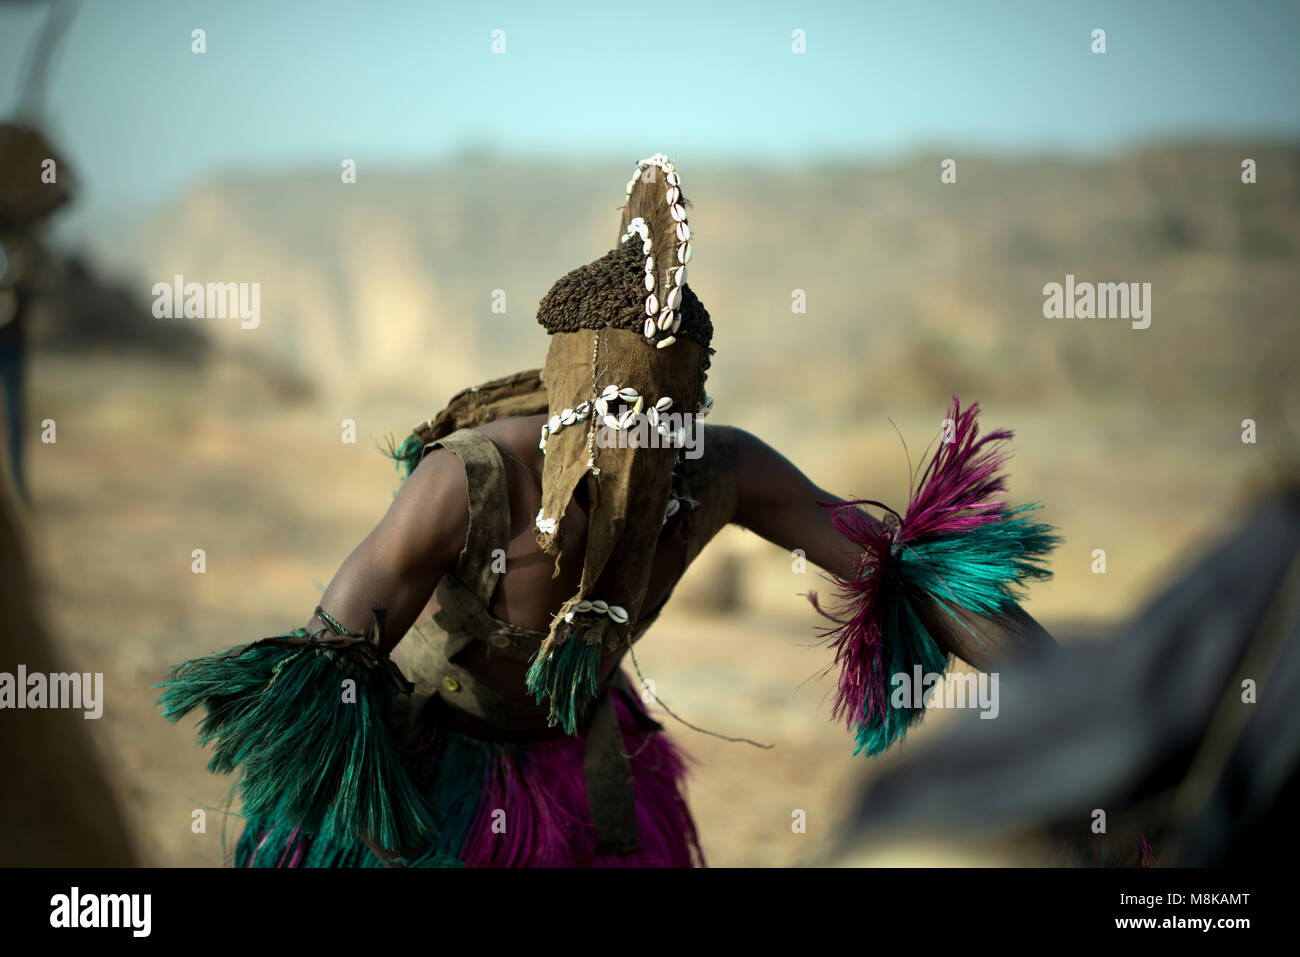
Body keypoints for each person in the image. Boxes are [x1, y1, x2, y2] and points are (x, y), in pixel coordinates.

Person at [159, 154, 1059, 867]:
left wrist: (1085, 703)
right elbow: (328, 667)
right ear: (562, 407)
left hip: (583, 766)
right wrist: (384, 829)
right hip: (425, 776)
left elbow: (901, 567)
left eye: (672, 428)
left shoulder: (722, 472)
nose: (647, 460)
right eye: (621, 422)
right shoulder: (468, 480)